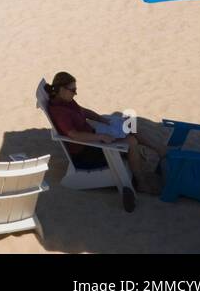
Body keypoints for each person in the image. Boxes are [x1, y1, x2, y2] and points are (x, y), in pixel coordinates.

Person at [45, 71, 163, 207]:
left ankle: (157, 150)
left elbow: (84, 112)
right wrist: (101, 136)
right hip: (86, 152)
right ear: (61, 89)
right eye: (73, 90)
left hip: (92, 137)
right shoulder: (60, 113)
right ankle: (141, 181)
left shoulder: (66, 101)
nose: (75, 93)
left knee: (129, 124)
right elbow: (74, 135)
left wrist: (102, 119)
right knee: (131, 141)